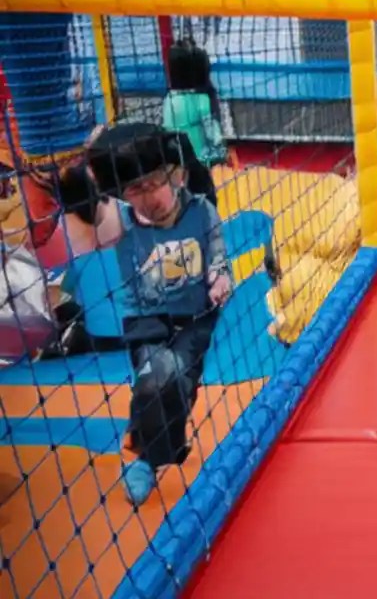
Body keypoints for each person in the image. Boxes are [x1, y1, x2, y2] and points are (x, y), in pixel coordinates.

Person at [84, 123, 232, 505]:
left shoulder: (202, 212)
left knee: (180, 384)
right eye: (135, 189)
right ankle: (143, 459)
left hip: (196, 320)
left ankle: (166, 441)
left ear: (178, 176)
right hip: (146, 321)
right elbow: (95, 210)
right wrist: (90, 165)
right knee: (156, 377)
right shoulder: (123, 220)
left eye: (154, 184)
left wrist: (219, 278)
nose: (147, 197)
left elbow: (217, 255)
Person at [162, 39, 226, 204]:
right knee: (205, 199)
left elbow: (166, 128)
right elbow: (213, 135)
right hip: (198, 161)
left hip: (174, 160)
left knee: (182, 197)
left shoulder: (169, 98)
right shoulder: (202, 100)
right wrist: (222, 152)